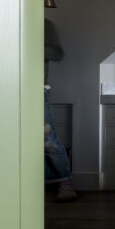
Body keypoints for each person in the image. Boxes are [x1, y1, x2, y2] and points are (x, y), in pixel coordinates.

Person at [44, 17, 76, 202]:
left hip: (35, 88)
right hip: (1, 88)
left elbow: (56, 53)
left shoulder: (43, 23)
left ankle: (65, 183)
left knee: (47, 137)